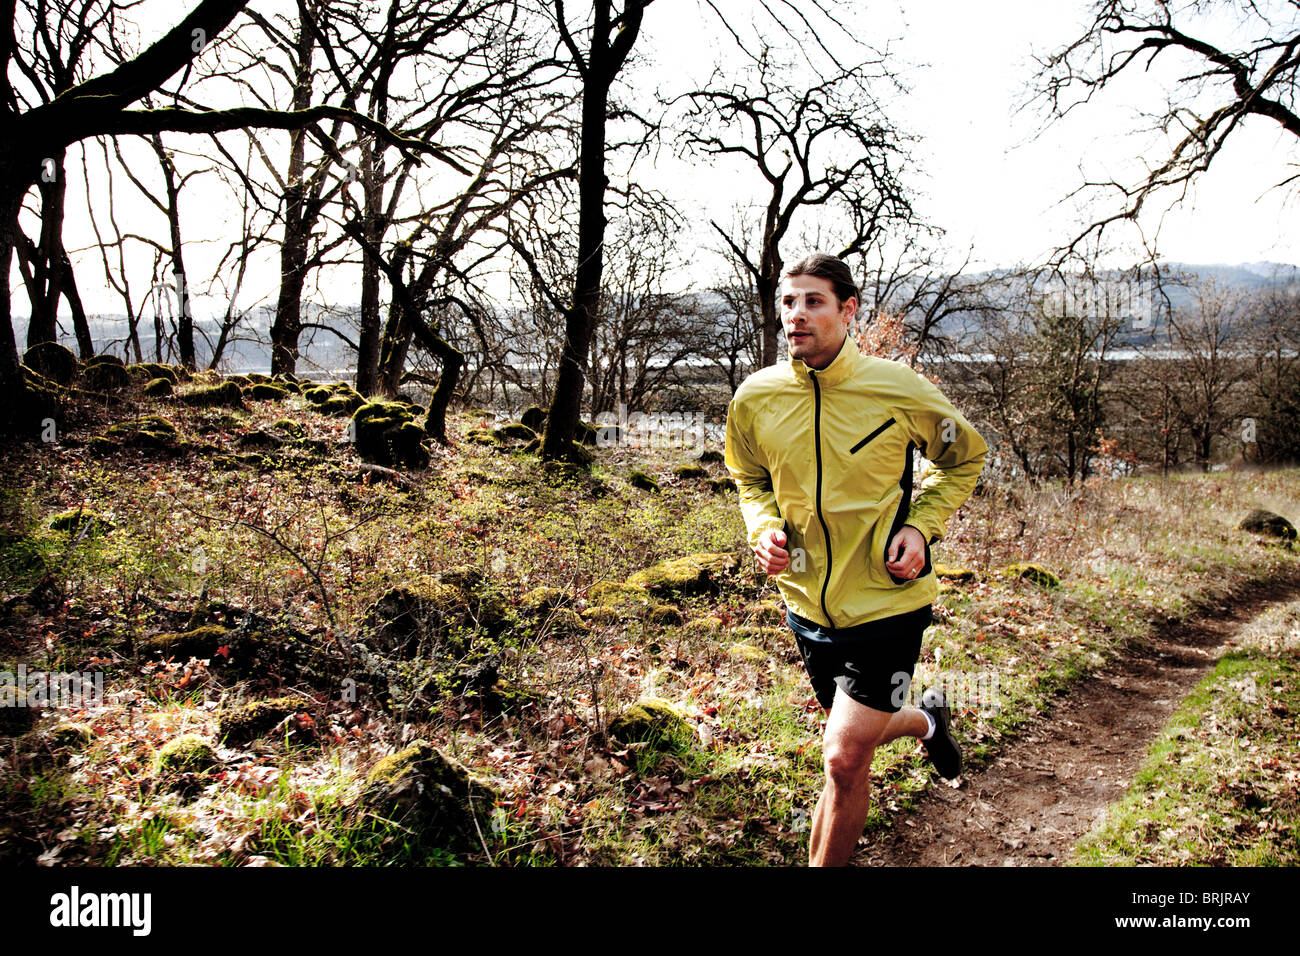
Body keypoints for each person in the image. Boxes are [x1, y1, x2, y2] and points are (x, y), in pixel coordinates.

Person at [724, 252, 989, 867]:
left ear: (847, 310)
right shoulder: (755, 397)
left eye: (813, 301)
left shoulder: (897, 388)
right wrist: (762, 528)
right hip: (807, 604)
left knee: (842, 758)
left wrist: (922, 528)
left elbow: (965, 457)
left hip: (887, 598)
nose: (797, 315)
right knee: (854, 743)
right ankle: (926, 720)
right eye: (788, 302)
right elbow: (748, 476)